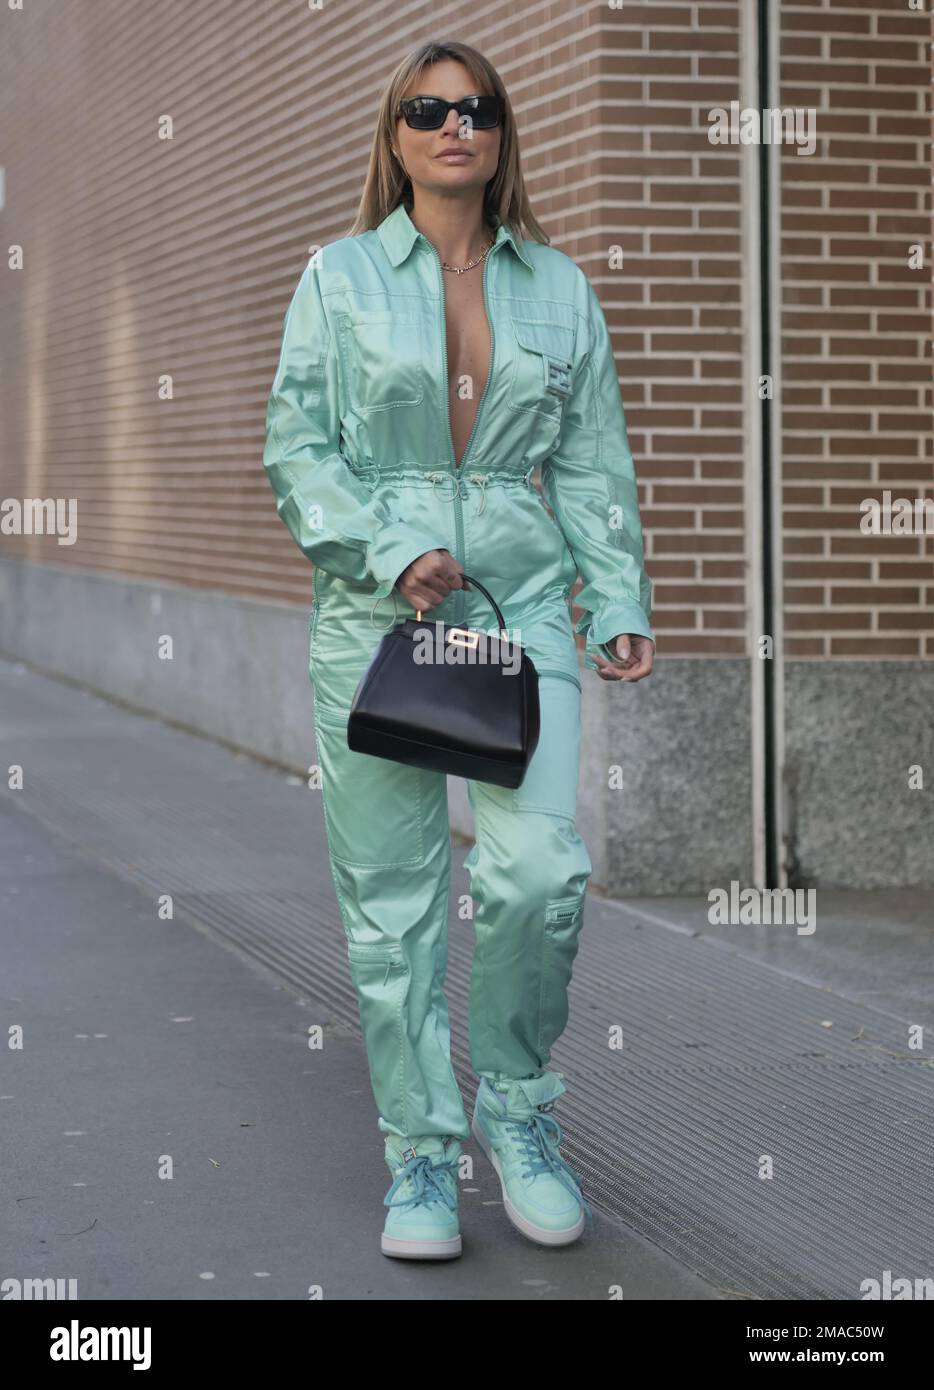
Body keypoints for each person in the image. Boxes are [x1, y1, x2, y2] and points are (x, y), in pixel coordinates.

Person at [262, 39, 655, 1261]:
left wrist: (616, 591)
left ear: (499, 137)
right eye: (428, 109)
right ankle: (422, 1159)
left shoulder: (558, 287)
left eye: (475, 108)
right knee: (394, 909)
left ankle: (521, 1116)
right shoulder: (336, 279)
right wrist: (382, 551)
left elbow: (590, 454)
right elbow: (296, 449)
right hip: (377, 621)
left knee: (537, 875)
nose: (453, 125)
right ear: (395, 134)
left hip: (518, 609)